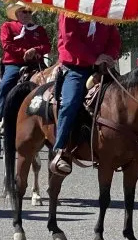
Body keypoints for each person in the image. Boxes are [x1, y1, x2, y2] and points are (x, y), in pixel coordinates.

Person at [50, 14, 121, 176]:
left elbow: (114, 40)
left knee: (125, 95)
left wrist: (108, 57)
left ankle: (133, 146)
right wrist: (94, 58)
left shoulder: (106, 14)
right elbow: (70, 41)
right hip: (76, 67)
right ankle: (61, 149)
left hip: (102, 67)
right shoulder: (69, 11)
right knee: (70, 103)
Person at [0, 2, 51, 127]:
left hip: (36, 64)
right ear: (17, 14)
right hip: (15, 63)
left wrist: (36, 50)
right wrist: (24, 52)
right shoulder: (8, 26)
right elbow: (6, 44)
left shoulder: (39, 29)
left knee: (51, 82)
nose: (27, 14)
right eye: (24, 11)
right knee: (6, 84)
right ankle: (2, 114)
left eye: (30, 12)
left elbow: (47, 46)